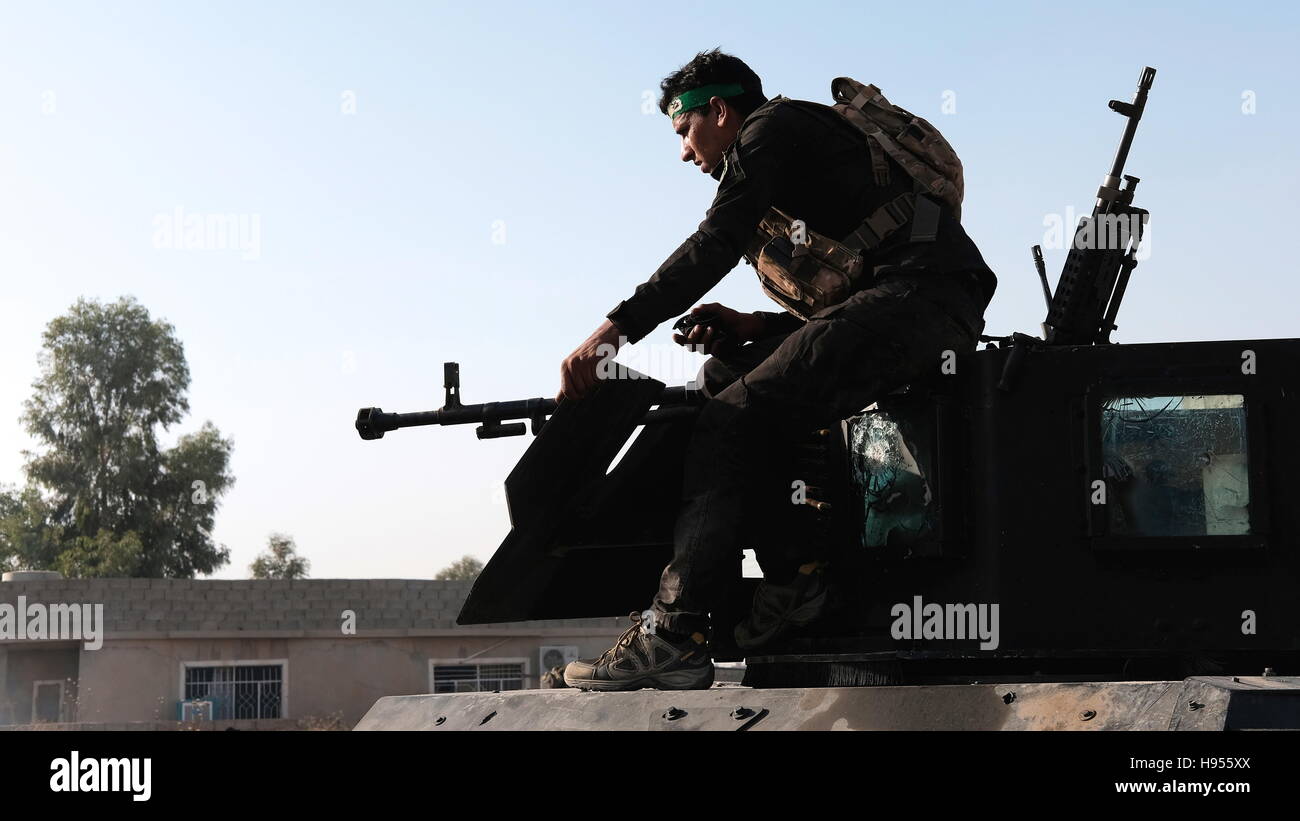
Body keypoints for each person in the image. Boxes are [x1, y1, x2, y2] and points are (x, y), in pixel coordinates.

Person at [557, 49, 997, 691]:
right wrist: (756, 327)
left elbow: (714, 242)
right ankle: (797, 578)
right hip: (909, 302)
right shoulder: (790, 155)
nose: (684, 152)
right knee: (721, 379)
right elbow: (848, 303)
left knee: (730, 419)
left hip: (921, 298)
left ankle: (677, 633)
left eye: (685, 130)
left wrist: (613, 331)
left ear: (719, 110)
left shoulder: (772, 127)